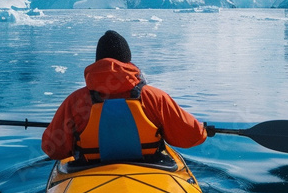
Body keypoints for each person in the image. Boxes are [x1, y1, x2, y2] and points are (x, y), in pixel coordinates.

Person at [41, 30, 208, 161]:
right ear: (128, 61)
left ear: (98, 61)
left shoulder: (76, 101)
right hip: (149, 168)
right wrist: (202, 129)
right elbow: (192, 137)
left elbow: (52, 149)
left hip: (89, 170)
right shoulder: (154, 97)